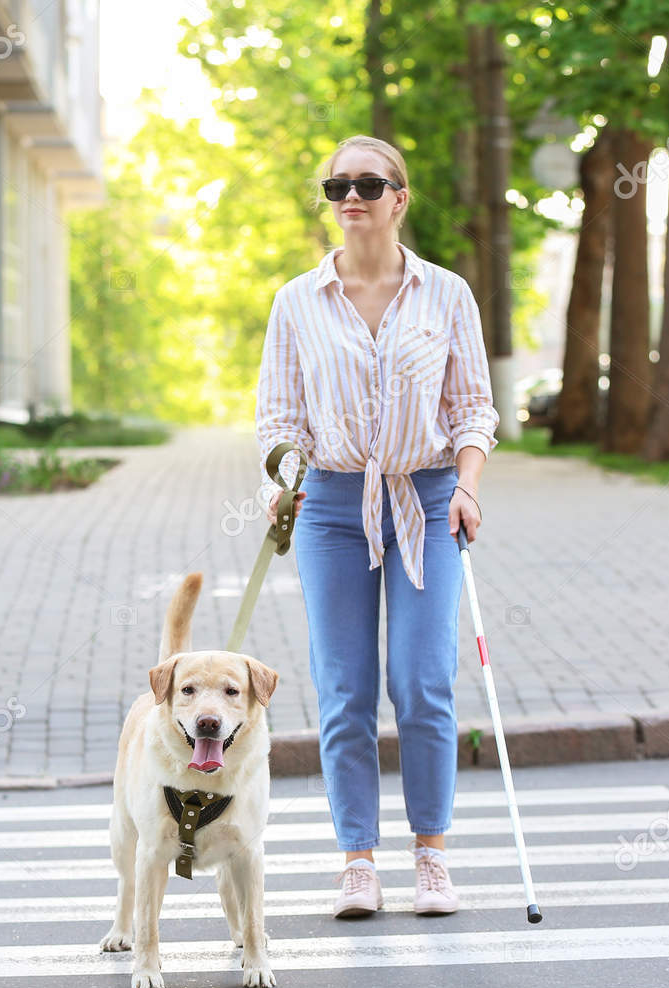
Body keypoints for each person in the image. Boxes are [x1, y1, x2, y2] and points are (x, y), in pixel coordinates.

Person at [254, 134, 499, 919]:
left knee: (422, 682)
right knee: (345, 689)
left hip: (426, 500)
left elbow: (472, 409)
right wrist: (283, 477)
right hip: (329, 506)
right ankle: (358, 860)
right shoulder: (296, 302)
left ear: (400, 198)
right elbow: (278, 414)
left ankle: (431, 854)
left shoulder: (447, 294)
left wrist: (465, 486)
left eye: (368, 183)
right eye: (336, 186)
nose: (350, 197)